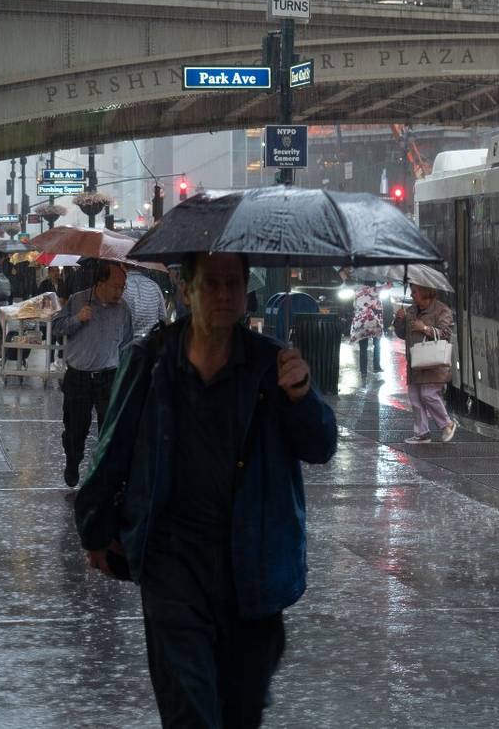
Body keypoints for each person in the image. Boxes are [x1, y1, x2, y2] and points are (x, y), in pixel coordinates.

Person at [74, 252, 337, 726]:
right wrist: (95, 529)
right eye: (211, 283)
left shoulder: (270, 364)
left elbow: (320, 446)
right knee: (190, 711)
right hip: (173, 564)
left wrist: (301, 395)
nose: (224, 295)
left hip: (254, 568)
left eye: (233, 284)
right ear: (187, 289)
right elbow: (113, 447)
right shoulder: (151, 361)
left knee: (241, 711)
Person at [54, 262, 133, 488]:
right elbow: (57, 327)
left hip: (108, 377)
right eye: (116, 286)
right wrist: (78, 319)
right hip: (78, 377)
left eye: (123, 287)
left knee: (110, 430)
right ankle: (73, 461)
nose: (120, 292)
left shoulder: (124, 309)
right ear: (100, 283)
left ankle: (105, 474)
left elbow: (127, 342)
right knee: (75, 431)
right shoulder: (79, 300)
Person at [394, 283, 458, 443]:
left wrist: (425, 328)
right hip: (415, 362)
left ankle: (447, 424)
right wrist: (399, 320)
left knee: (428, 394)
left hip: (433, 363)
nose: (411, 295)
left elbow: (445, 333)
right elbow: (403, 334)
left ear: (425, 291)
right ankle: (422, 433)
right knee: (415, 397)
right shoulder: (411, 311)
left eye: (414, 292)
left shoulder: (442, 310)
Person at [349, 281, 385, 379]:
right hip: (375, 323)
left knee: (363, 348)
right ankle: (376, 366)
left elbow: (354, 307)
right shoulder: (376, 290)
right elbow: (388, 287)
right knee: (377, 345)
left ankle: (363, 371)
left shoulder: (357, 292)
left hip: (361, 324)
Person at [121, 268, 169, 338]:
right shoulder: (154, 286)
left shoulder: (122, 285)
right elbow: (163, 317)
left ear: (122, 265)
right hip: (149, 340)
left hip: (126, 340)